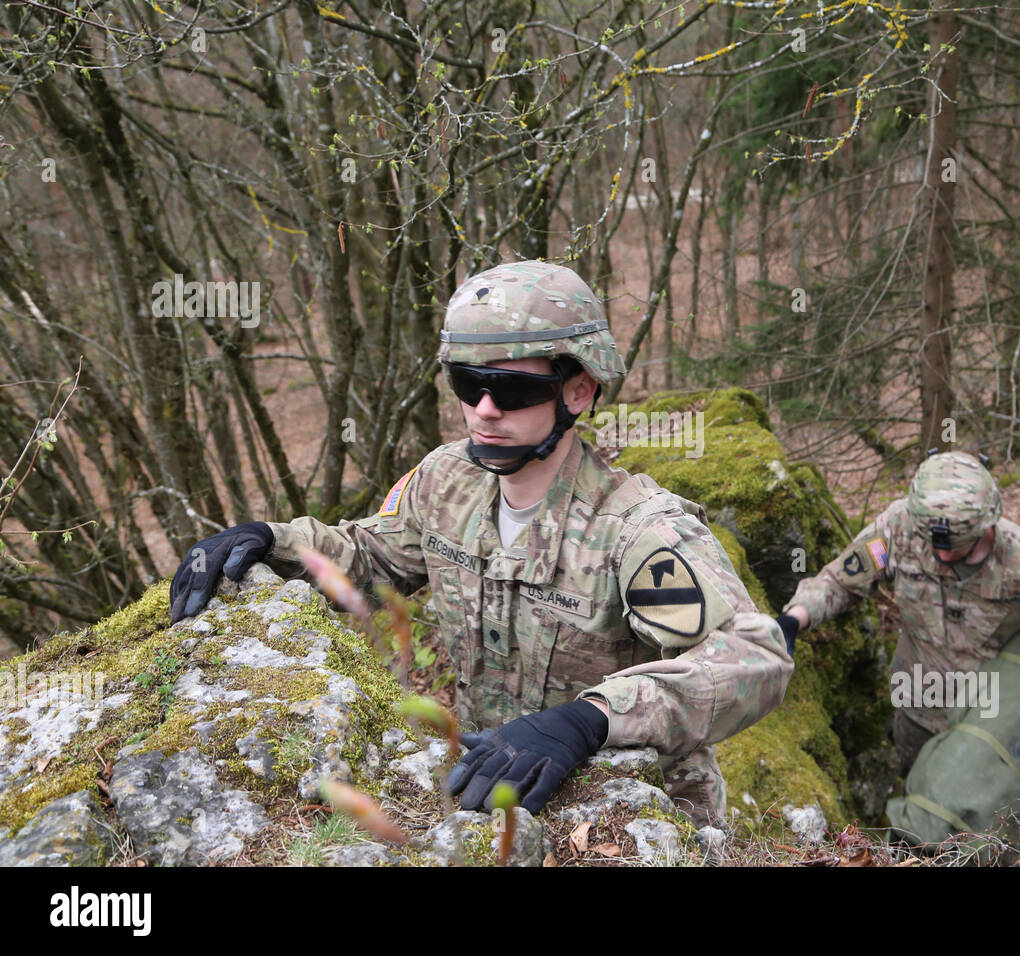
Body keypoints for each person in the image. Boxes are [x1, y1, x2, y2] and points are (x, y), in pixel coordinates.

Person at [168, 259, 792, 824]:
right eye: (469, 386)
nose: (485, 410)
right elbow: (375, 555)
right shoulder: (447, 480)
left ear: (579, 390)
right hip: (488, 784)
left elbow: (754, 660)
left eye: (514, 390)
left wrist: (592, 718)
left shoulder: (634, 530)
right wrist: (271, 541)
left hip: (632, 805)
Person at [775, 450, 1020, 780]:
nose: (943, 557)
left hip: (994, 719)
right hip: (917, 703)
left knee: (979, 819)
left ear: (988, 525)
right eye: (933, 545)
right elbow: (842, 581)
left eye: (958, 546)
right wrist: (795, 618)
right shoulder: (899, 532)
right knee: (917, 800)